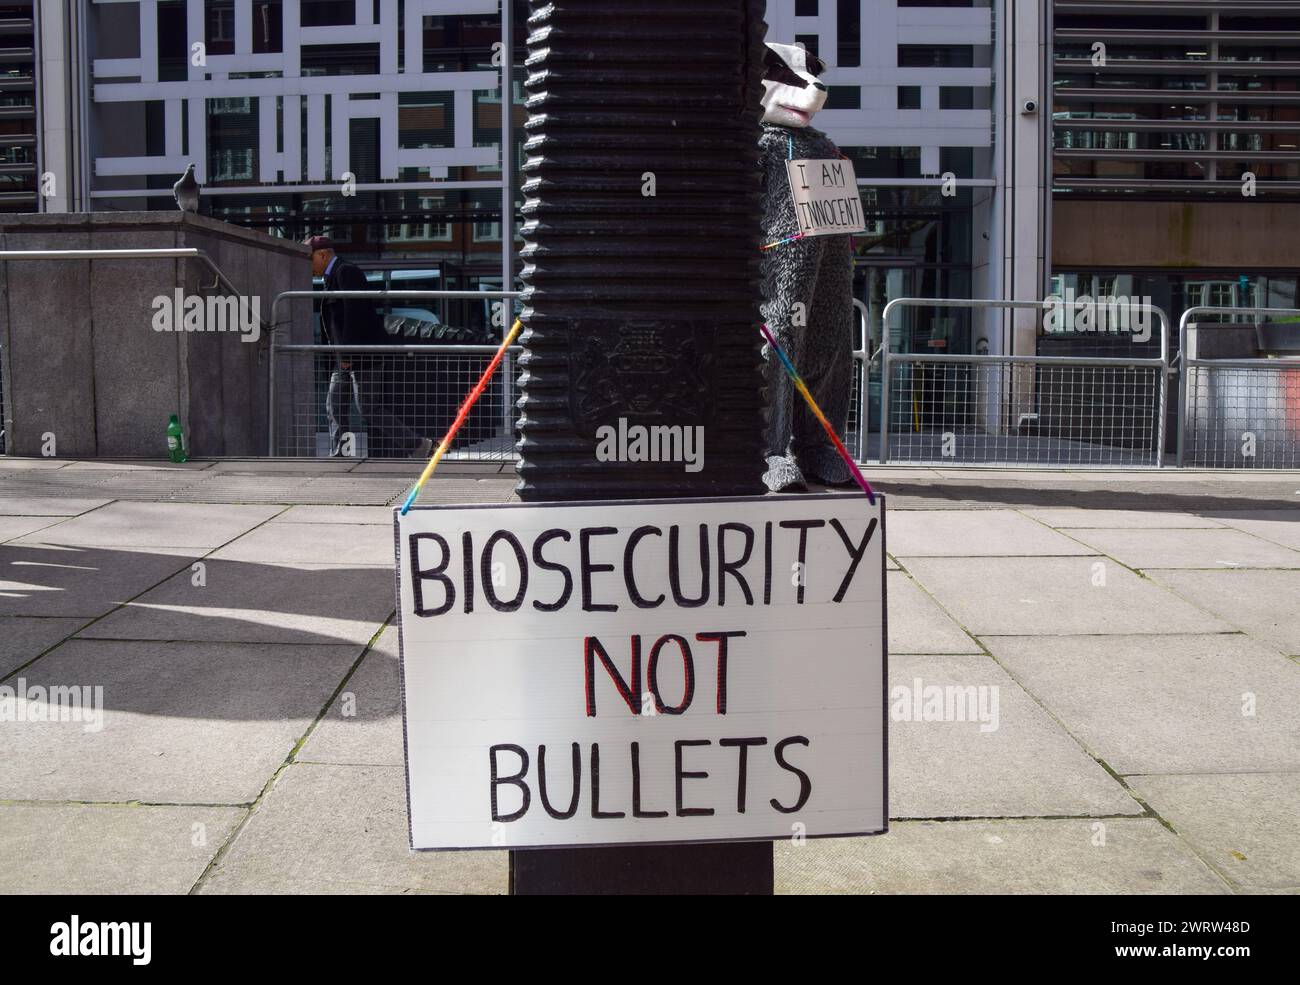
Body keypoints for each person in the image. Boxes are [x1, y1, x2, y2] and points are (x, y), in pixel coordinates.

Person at [757, 43, 855, 491]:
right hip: (775, 262)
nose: (813, 89)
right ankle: (768, 448)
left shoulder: (824, 147)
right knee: (777, 341)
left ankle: (819, 444)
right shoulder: (751, 144)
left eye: (814, 76)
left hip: (827, 260)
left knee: (830, 339)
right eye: (794, 77)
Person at [306, 235, 431, 459]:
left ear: (323, 254)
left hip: (361, 355)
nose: (308, 265)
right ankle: (342, 452)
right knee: (334, 404)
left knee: (368, 407)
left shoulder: (346, 272)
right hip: (344, 355)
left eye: (310, 258)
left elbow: (357, 314)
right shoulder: (331, 276)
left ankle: (418, 445)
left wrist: (348, 354)